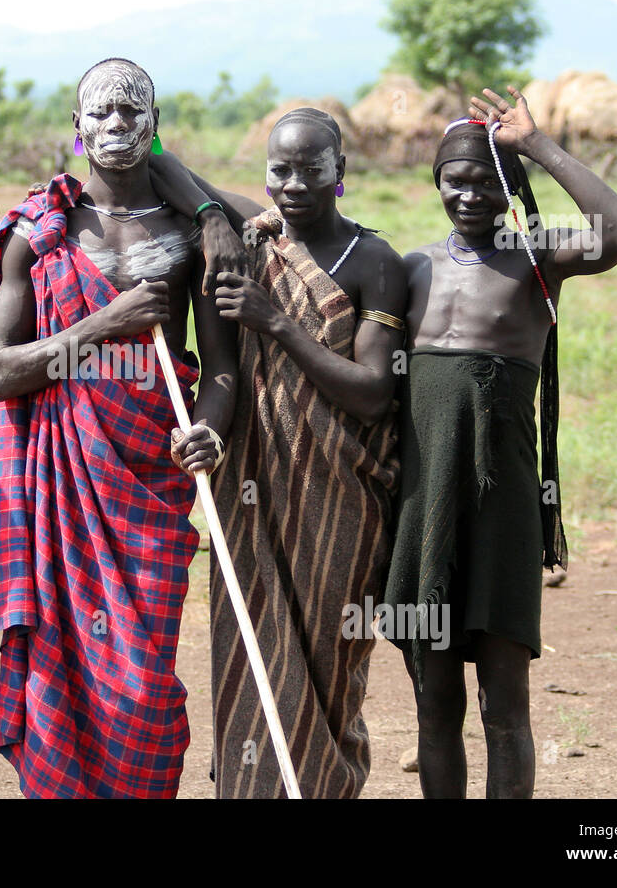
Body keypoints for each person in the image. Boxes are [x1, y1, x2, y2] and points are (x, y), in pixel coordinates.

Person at [0, 57, 238, 798]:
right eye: (101, 113)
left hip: (151, 471)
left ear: (156, 128)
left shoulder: (189, 231)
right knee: (65, 671)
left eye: (132, 112)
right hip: (64, 480)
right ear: (76, 129)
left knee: (144, 682)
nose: (117, 125)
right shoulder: (42, 233)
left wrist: (208, 427)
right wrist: (107, 321)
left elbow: (219, 367)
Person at [387, 85, 617, 798]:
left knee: (506, 708)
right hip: (424, 508)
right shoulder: (410, 269)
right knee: (435, 706)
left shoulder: (537, 261)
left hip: (501, 509)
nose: (467, 196)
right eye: (453, 180)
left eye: (484, 182)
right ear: (435, 184)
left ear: (510, 190)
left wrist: (533, 142)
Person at [197, 108, 406, 798]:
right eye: (278, 170)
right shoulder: (247, 248)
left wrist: (276, 322)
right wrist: (208, 217)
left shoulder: (376, 262)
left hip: (339, 496)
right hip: (251, 488)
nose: (293, 184)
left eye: (311, 169)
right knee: (252, 658)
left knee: (329, 661)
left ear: (340, 173)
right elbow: (220, 372)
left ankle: (326, 786)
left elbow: (374, 393)